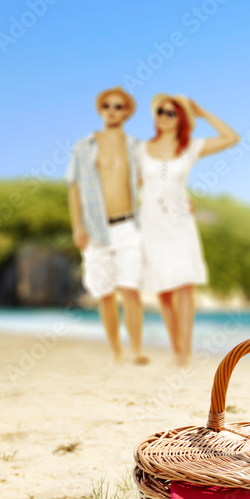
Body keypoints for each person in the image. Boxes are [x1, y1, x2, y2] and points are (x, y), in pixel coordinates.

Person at [139, 94, 238, 365]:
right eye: (160, 111)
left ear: (181, 118)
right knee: (163, 289)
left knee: (184, 285)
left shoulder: (190, 147)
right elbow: (134, 184)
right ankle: (175, 348)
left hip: (180, 222)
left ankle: (185, 353)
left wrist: (203, 113)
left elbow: (232, 138)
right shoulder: (140, 149)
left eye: (171, 113)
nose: (164, 116)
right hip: (151, 222)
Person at [66, 86, 149, 364]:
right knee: (104, 293)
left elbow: (151, 182)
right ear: (100, 110)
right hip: (95, 228)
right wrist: (77, 226)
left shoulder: (136, 147)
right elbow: (74, 188)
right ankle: (116, 351)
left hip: (128, 226)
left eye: (118, 106)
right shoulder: (83, 146)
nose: (112, 111)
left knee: (131, 289)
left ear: (127, 112)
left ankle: (136, 349)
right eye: (107, 106)